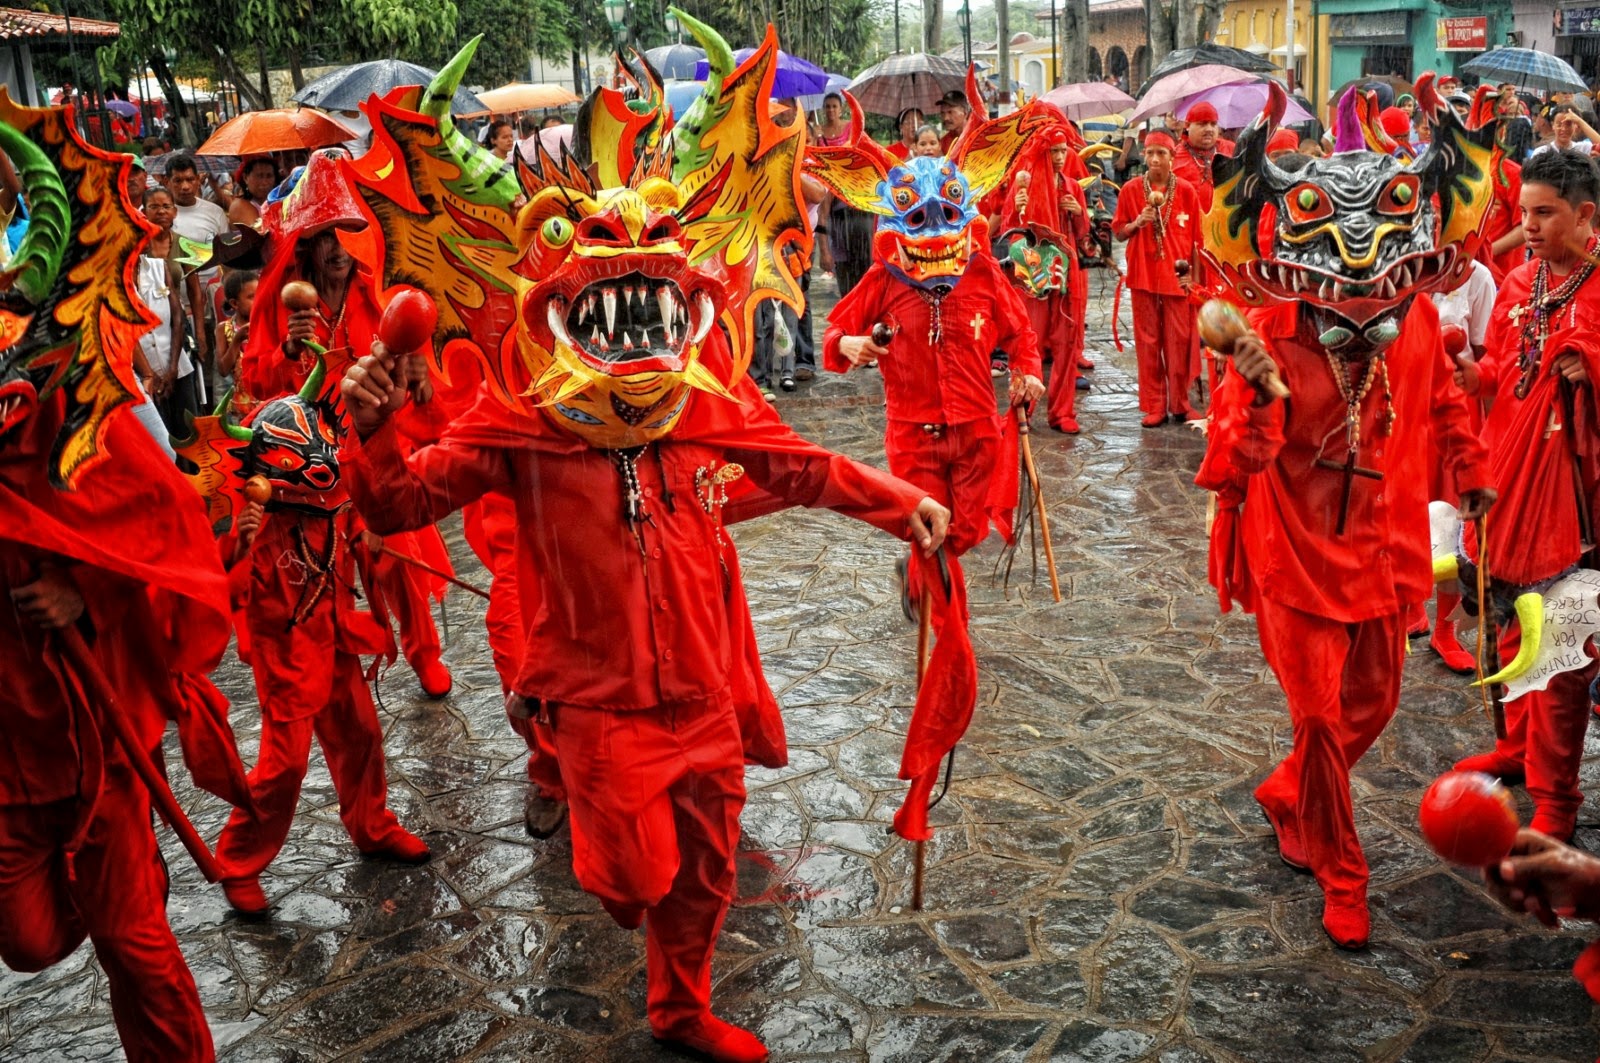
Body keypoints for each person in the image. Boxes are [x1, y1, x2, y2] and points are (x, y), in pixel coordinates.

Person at [340, 335, 950, 1063]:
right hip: (597, 705)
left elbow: (799, 467)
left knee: (704, 875)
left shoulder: (701, 406)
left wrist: (900, 501)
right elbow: (400, 502)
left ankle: (682, 1010)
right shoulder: (525, 423)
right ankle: (588, 826)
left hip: (701, 693)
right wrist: (373, 431)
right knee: (634, 876)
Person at [1198, 112, 1495, 948]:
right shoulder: (1267, 334)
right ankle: (1342, 869)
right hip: (1293, 551)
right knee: (1322, 716)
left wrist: (1471, 476)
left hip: (1385, 544)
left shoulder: (1422, 323)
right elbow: (1239, 459)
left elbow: (1442, 401)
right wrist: (1256, 396)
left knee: (1374, 703)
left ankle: (1291, 790)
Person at [237, 151, 454, 699]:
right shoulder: (281, 304)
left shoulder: (375, 290)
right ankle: (340, 660)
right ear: (306, 244)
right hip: (312, 464)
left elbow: (411, 351)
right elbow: (259, 386)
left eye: (347, 231)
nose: (339, 247)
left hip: (373, 447)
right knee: (326, 566)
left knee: (398, 554)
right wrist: (289, 347)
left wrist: (418, 370)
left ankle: (423, 653)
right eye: (326, 234)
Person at [1453, 149, 1600, 841]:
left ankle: (1556, 799)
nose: (1530, 227)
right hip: (1504, 484)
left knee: (1561, 654)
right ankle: (1515, 751)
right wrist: (1466, 374)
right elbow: (1497, 374)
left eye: (1544, 214)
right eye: (1523, 214)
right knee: (1507, 631)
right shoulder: (1519, 282)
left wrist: (1591, 367)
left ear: (1585, 215)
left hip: (1575, 505)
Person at [999, 122, 1089, 433]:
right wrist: (1017, 209)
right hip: (1035, 276)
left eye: (1064, 151)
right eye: (1054, 151)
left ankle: (1063, 413)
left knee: (1066, 343)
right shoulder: (1022, 186)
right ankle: (1024, 408)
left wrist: (1077, 211)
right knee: (1030, 340)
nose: (1061, 157)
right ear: (1042, 153)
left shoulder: (1072, 187)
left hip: (1066, 272)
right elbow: (1009, 232)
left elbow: (1083, 234)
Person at [1112, 131, 1202, 426]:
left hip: (1177, 280)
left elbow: (1197, 242)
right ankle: (1154, 405)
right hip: (1143, 276)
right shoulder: (1130, 190)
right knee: (1148, 343)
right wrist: (1137, 222)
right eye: (1149, 153)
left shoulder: (1187, 191)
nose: (1153, 159)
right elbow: (1118, 231)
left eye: (1161, 153)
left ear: (1172, 159)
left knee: (1180, 343)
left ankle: (1180, 403)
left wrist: (1195, 279)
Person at [137, 186, 203, 438]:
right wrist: (149, 373)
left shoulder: (158, 267)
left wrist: (173, 366)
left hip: (175, 356)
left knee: (189, 428)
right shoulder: (113, 279)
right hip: (143, 370)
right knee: (160, 435)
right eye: (154, 207)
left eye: (166, 206)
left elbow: (177, 316)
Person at [165, 154, 228, 367]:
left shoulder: (215, 212)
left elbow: (225, 256)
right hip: (178, 305)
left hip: (213, 301)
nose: (185, 186)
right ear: (167, 182)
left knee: (217, 355)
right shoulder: (161, 215)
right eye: (178, 180)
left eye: (190, 180)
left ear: (198, 180)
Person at [1171, 100, 1232, 210]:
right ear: (1187, 125)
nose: (1209, 129)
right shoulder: (1174, 156)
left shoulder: (1231, 149)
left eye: (1213, 124)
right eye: (1202, 124)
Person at [214, 268, 258, 382]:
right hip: (242, 398)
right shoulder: (223, 328)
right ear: (234, 303)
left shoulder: (267, 324)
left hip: (271, 397)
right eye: (251, 297)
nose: (258, 300)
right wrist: (236, 340)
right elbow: (223, 370)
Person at [227, 156, 277, 228]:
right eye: (259, 176)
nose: (265, 182)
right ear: (245, 178)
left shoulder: (277, 202)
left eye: (269, 176)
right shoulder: (239, 205)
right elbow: (260, 234)